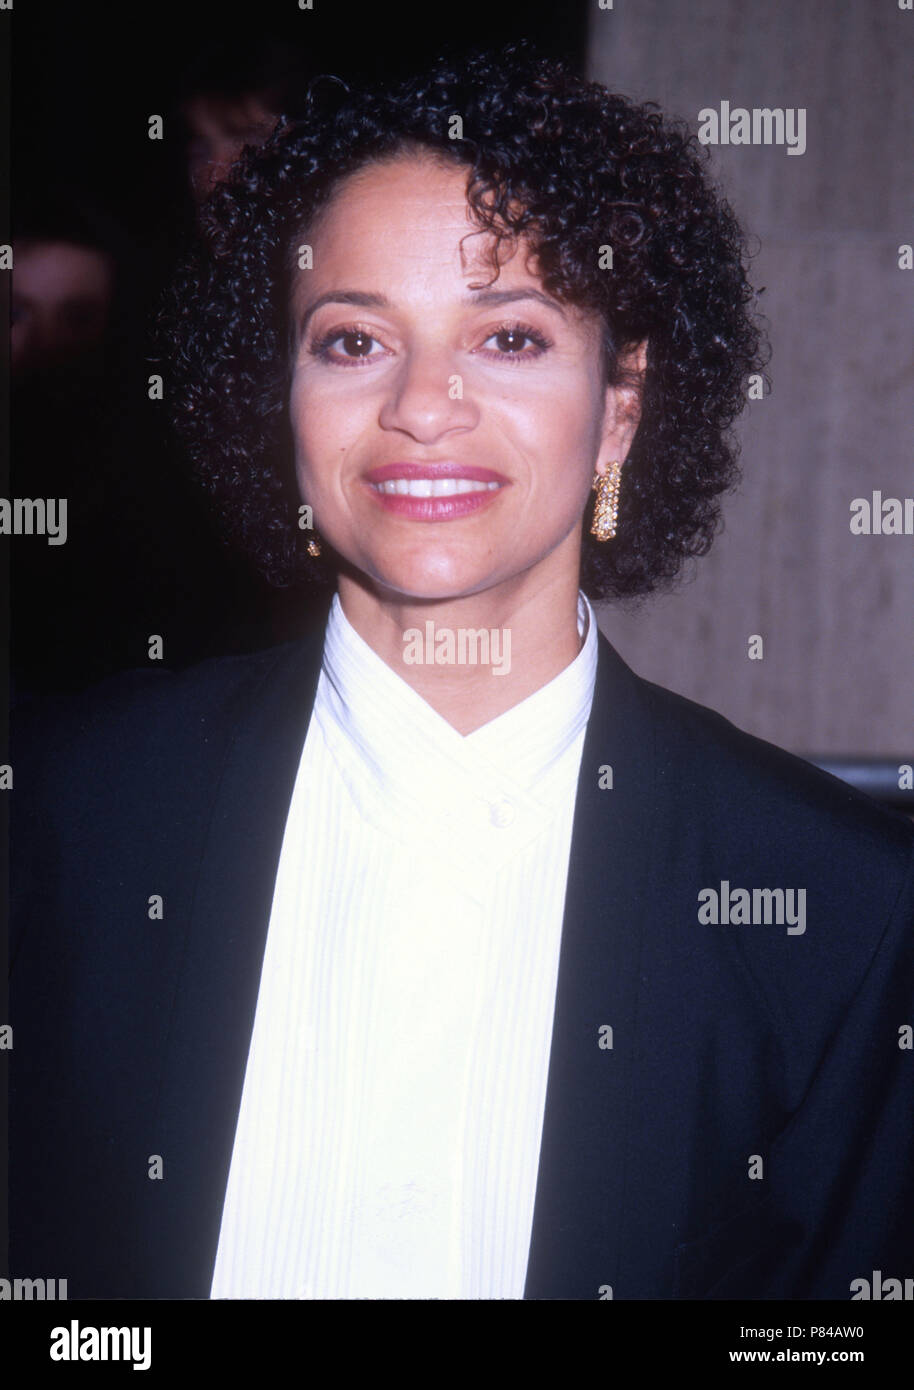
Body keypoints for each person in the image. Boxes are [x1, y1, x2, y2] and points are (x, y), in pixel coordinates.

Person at [8, 43, 914, 1301]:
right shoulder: (60, 807)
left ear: (618, 408)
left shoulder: (835, 907)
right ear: (279, 397)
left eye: (507, 336)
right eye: (350, 340)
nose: (422, 404)